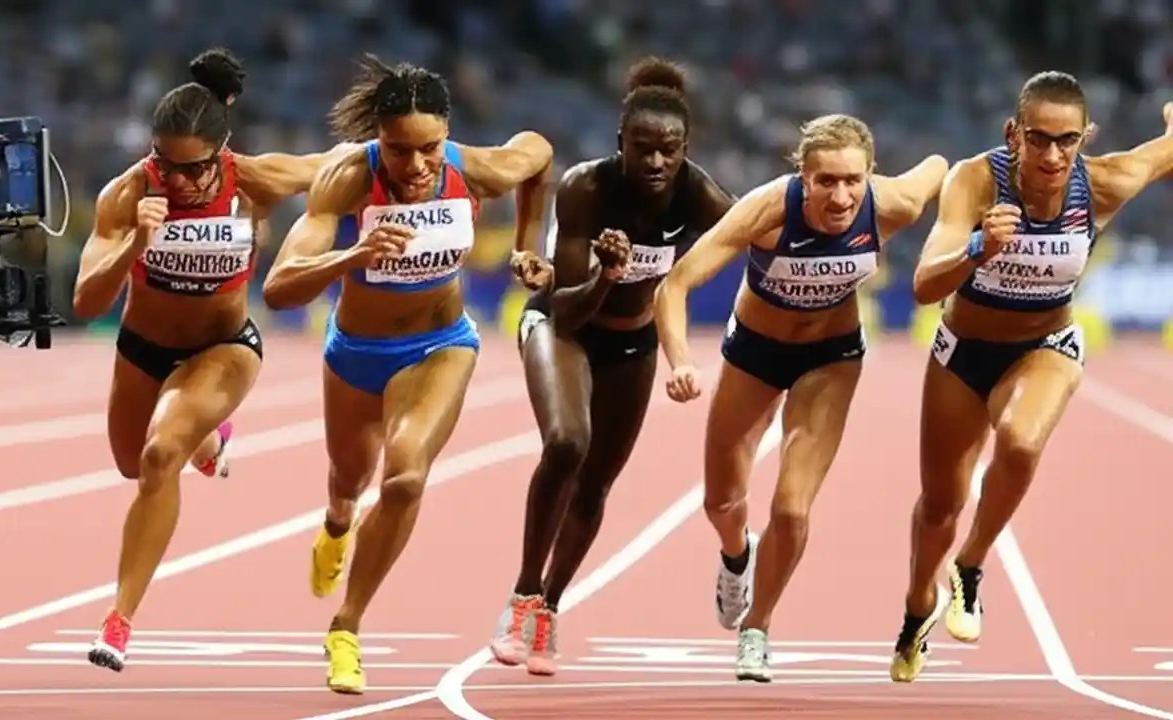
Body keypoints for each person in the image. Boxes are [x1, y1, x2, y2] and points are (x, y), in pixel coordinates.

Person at [261, 55, 554, 695]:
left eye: (430, 148)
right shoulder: (346, 178)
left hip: (441, 342)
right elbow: (279, 288)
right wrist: (354, 253)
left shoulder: (473, 169)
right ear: (379, 141)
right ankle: (337, 523)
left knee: (406, 474)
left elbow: (536, 154)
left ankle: (346, 626)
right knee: (349, 481)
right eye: (400, 151)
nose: (417, 166)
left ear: (447, 135)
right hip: (356, 351)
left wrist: (528, 245)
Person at [890, 72, 1173, 683]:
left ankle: (970, 566)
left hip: (1046, 344)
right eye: (1038, 139)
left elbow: (1161, 153)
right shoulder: (974, 180)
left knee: (1019, 439)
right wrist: (975, 250)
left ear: (1084, 137)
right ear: (1012, 134)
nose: (1051, 155)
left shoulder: (1101, 184)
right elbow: (921, 286)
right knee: (941, 503)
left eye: (1066, 140)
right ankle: (918, 605)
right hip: (963, 351)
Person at [74, 47, 348, 672]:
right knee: (128, 462)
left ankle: (119, 620)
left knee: (157, 454)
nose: (175, 181)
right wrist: (136, 244)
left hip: (223, 348)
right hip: (143, 348)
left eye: (191, 168)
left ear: (221, 154)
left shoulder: (254, 180)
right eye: (163, 164)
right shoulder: (127, 196)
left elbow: (341, 168)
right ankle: (208, 441)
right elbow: (86, 302)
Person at [654, 114, 949, 682]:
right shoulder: (767, 212)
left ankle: (757, 628)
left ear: (870, 175)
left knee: (791, 506)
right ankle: (736, 554)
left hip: (831, 357)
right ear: (803, 177)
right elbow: (676, 284)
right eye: (826, 182)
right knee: (720, 502)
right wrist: (682, 360)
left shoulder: (892, 205)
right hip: (754, 355)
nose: (840, 197)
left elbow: (939, 170)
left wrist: (972, 205)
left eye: (853, 181)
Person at [486, 57, 737, 677]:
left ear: (686, 149)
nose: (655, 163)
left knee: (596, 484)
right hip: (563, 326)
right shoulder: (585, 189)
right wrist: (608, 276)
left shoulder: (699, 193)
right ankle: (521, 594)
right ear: (618, 144)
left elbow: (754, 232)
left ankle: (549, 606)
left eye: (669, 151)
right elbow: (565, 311)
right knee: (569, 442)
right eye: (643, 149)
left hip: (634, 343)